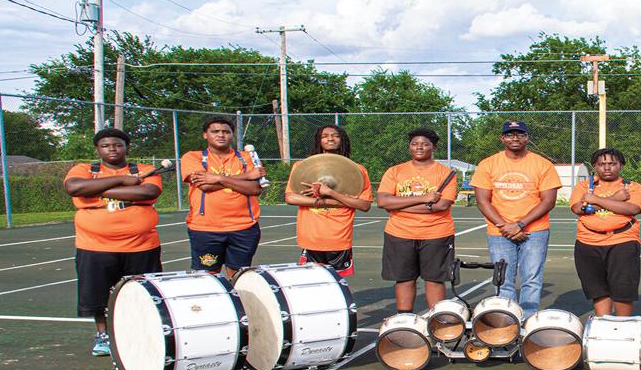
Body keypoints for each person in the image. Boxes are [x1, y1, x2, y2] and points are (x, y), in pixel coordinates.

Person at [62, 128, 164, 356]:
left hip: (141, 245)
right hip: (95, 246)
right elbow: (74, 188)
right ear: (98, 149)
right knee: (98, 296)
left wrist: (96, 190)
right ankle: (103, 335)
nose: (112, 149)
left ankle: (139, 333)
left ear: (126, 147)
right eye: (105, 145)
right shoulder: (84, 169)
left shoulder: (145, 170)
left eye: (117, 145)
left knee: (144, 293)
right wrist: (121, 180)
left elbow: (147, 193)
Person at [471, 120, 562, 319]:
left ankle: (528, 320)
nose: (515, 138)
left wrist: (520, 224)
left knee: (531, 279)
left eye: (520, 134)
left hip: (534, 231)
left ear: (527, 138)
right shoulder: (488, 164)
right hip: (499, 231)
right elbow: (483, 201)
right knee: (504, 280)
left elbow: (548, 201)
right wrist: (505, 226)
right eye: (510, 134)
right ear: (502, 138)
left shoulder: (542, 164)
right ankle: (508, 321)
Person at [375, 128, 458, 316]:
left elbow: (441, 206)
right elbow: (382, 201)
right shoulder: (395, 171)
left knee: (435, 279)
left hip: (437, 233)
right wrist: (424, 199)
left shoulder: (446, 173)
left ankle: (438, 320)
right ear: (409, 147)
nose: (419, 147)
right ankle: (404, 319)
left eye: (425, 144)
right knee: (404, 278)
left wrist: (397, 205)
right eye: (414, 143)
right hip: (400, 232)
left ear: (434, 147)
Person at [181, 115, 264, 283]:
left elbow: (255, 188)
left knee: (239, 275)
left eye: (226, 132)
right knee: (207, 276)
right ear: (205, 135)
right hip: (205, 228)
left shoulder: (246, 157)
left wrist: (217, 178)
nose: (221, 135)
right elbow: (204, 185)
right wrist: (246, 176)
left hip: (244, 226)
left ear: (232, 134)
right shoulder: (193, 157)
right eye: (215, 131)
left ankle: (239, 306)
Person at [284, 124, 371, 278]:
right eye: (324, 136)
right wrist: (338, 200)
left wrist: (329, 192)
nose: (330, 138)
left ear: (342, 139)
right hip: (311, 238)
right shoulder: (302, 167)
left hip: (338, 238)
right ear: (318, 141)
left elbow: (364, 205)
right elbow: (290, 197)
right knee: (313, 282)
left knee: (337, 284)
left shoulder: (357, 170)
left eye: (335, 135)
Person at [570, 147, 641, 317]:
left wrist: (594, 201)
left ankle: (622, 326)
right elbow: (578, 208)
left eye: (612, 163)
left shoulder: (632, 187)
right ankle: (603, 324)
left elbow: (631, 208)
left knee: (623, 289)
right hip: (588, 242)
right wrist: (614, 200)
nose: (607, 167)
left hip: (622, 241)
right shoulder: (584, 186)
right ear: (594, 166)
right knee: (598, 290)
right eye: (602, 164)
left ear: (621, 166)